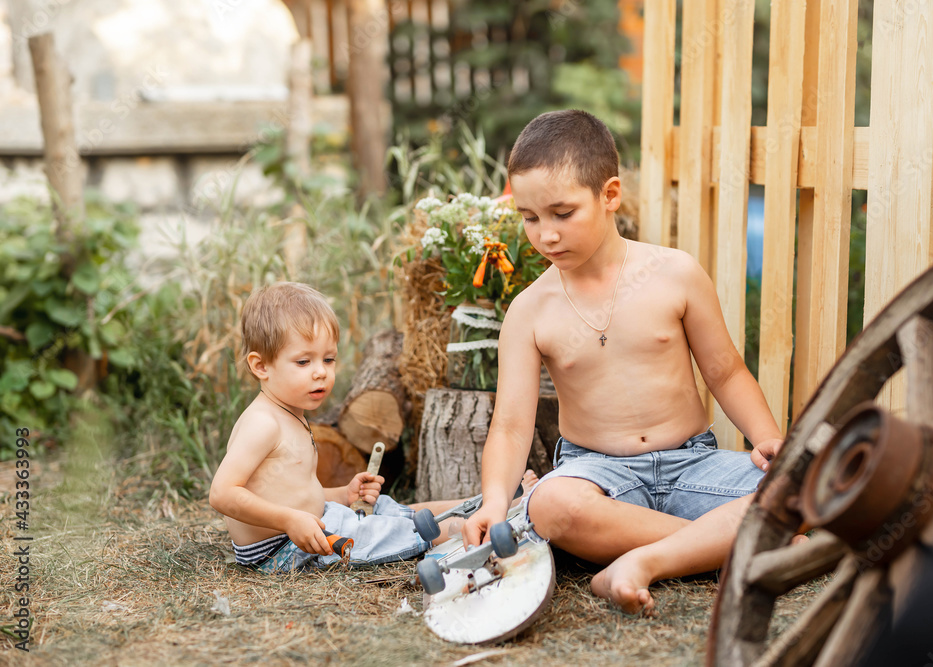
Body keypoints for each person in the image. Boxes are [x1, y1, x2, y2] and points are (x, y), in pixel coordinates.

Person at [461, 110, 784, 614]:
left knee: (807, 478)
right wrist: (494, 503)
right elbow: (510, 426)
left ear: (609, 195)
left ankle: (646, 560)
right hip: (601, 480)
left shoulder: (674, 274)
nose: (545, 235)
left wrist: (767, 441)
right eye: (529, 218)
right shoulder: (529, 311)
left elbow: (725, 372)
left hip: (693, 466)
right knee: (550, 505)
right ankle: (748, 542)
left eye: (562, 214)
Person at [209, 281, 535, 572]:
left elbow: (294, 492)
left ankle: (487, 504)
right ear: (261, 366)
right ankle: (466, 532)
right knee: (384, 533)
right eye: (304, 362)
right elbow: (223, 494)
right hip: (280, 548)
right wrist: (288, 520)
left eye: (328, 359)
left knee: (390, 509)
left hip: (309, 520)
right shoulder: (262, 423)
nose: (321, 372)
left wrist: (342, 494)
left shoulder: (291, 413)